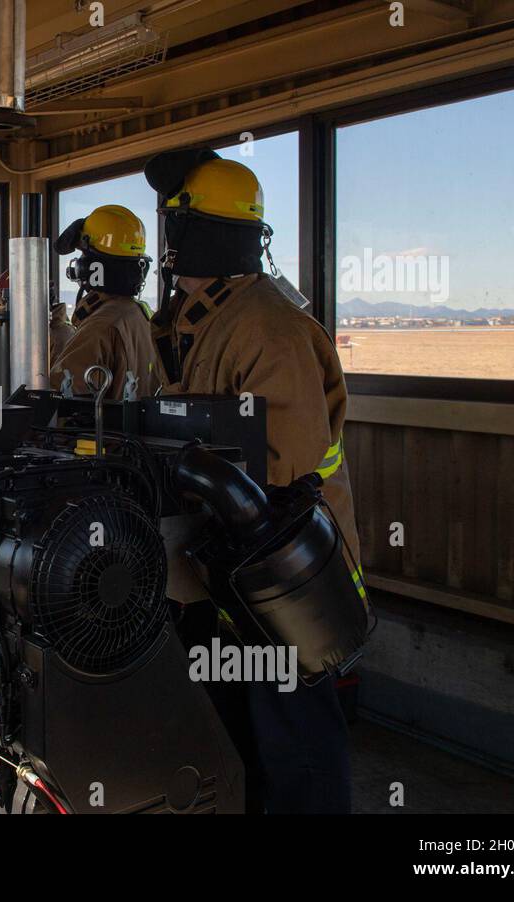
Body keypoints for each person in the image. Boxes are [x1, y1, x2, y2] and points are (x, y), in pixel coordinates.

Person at [145, 149, 365, 814]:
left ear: (200, 232)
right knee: (237, 730)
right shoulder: (201, 319)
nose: (169, 243)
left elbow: (284, 473)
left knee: (293, 741)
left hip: (286, 581)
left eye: (176, 225)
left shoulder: (268, 326)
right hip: (227, 579)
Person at [47, 204, 163, 399]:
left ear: (93, 266)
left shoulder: (100, 327)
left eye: (83, 254)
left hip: (104, 429)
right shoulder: (142, 315)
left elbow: (62, 400)